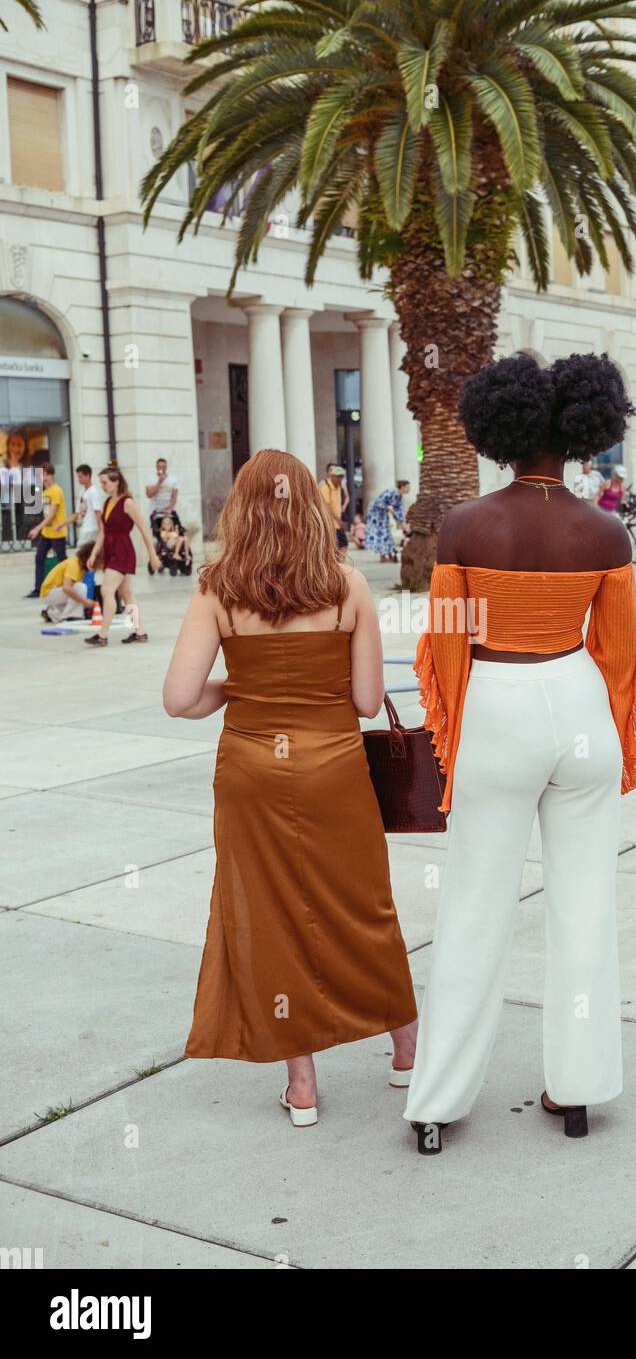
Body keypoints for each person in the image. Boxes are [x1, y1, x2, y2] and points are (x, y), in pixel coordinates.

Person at [406, 353, 636, 1155]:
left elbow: (446, 647)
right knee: (584, 908)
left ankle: (437, 1104)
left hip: (496, 709)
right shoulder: (605, 531)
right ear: (582, 431)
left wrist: (448, 737)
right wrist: (619, 740)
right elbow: (621, 655)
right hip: (580, 708)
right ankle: (577, 1093)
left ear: (498, 430)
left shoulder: (464, 526)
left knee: (473, 908)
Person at [162, 450, 418, 1126]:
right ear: (309, 505)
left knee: (270, 916)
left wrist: (237, 687)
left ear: (241, 510)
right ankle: (406, 1052)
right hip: (334, 769)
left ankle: (302, 1086)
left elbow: (179, 700)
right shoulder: (346, 585)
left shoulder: (217, 589)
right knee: (363, 907)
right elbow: (367, 701)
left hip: (251, 772)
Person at [84, 466, 160, 646]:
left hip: (122, 551)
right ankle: (140, 632)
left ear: (116, 481)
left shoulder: (128, 502)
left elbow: (144, 528)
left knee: (106, 590)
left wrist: (152, 555)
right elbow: (103, 532)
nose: (102, 486)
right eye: (101, 482)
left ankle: (102, 635)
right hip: (111, 551)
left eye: (105, 482)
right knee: (127, 594)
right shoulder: (107, 502)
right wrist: (94, 553)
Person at [24, 464, 67, 598]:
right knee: (39, 558)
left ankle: (68, 585)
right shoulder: (45, 492)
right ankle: (38, 589)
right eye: (41, 475)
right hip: (47, 533)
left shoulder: (56, 491)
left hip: (57, 532)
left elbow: (52, 515)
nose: (43, 478)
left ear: (51, 475)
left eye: (45, 474)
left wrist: (37, 529)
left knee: (62, 560)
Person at [39, 540, 97, 622]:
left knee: (65, 611)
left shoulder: (81, 567)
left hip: (54, 593)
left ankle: (51, 613)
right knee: (81, 587)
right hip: (50, 592)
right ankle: (71, 616)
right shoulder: (74, 564)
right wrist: (86, 602)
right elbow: (66, 588)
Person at [54, 463, 106, 544]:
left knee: (81, 550)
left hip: (91, 529)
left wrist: (101, 532)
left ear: (87, 475)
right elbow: (77, 514)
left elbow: (98, 513)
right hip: (83, 528)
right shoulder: (82, 492)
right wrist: (62, 524)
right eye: (78, 477)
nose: (78, 479)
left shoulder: (94, 492)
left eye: (80, 476)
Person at [365, 481, 409, 562]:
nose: (409, 489)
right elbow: (378, 501)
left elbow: (399, 512)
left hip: (383, 514)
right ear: (402, 487)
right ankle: (383, 556)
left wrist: (403, 525)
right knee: (381, 533)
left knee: (386, 533)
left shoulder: (399, 497)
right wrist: (388, 507)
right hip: (375, 513)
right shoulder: (392, 491)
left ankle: (389, 554)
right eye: (407, 487)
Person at [318, 464, 349, 552]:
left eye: (341, 476)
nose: (340, 478)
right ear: (332, 476)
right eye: (338, 476)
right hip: (330, 523)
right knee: (334, 547)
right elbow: (326, 507)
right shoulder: (326, 487)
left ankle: (338, 561)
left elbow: (345, 499)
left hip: (337, 524)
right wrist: (338, 520)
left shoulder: (339, 487)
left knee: (343, 545)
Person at [145, 458, 180, 533]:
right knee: (158, 533)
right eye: (159, 466)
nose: (161, 468)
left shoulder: (173, 479)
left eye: (163, 466)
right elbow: (149, 495)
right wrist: (159, 481)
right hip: (155, 510)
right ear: (156, 467)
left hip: (169, 511)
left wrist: (170, 508)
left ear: (166, 467)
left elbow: (174, 496)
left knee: (176, 532)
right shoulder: (151, 478)